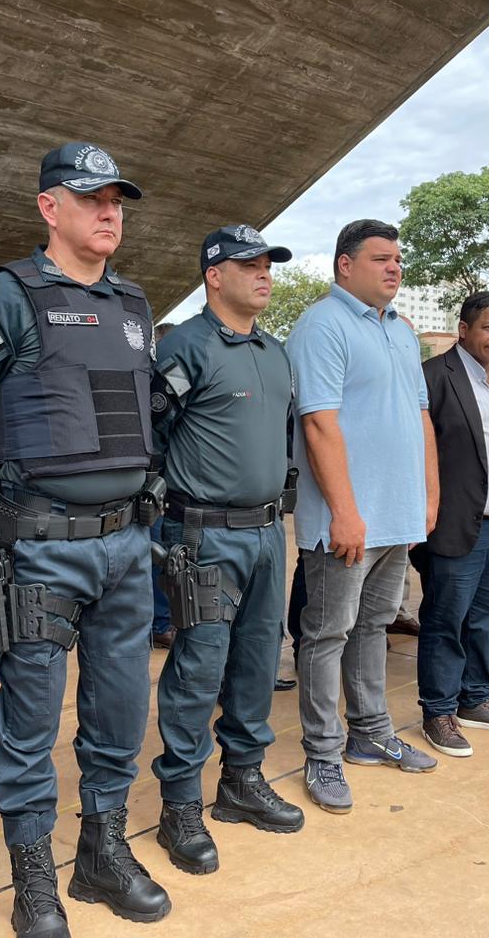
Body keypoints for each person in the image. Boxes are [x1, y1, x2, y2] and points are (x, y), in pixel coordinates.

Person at [0, 142, 170, 935]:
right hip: (41, 549)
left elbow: (148, 418)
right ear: (49, 208)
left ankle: (101, 852)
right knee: (29, 718)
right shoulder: (6, 298)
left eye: (117, 202)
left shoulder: (135, 306)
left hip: (125, 547)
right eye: (92, 199)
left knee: (119, 709)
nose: (110, 213)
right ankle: (31, 878)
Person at [148, 225, 304, 876]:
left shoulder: (275, 351)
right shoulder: (186, 346)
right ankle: (180, 803)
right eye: (249, 265)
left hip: (269, 533)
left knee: (257, 662)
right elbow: (151, 430)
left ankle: (241, 780)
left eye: (268, 264)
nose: (263, 274)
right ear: (215, 275)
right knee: (198, 668)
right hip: (204, 535)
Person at [286, 219, 439, 815]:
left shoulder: (402, 332)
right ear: (345, 265)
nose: (394, 268)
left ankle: (371, 734)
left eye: (398, 259)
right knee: (326, 635)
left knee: (372, 629)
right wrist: (345, 513)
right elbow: (319, 423)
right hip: (347, 522)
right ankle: (323, 752)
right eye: (381, 259)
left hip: (397, 517)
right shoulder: (321, 326)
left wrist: (428, 498)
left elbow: (422, 420)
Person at [415, 292, 489, 758]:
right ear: (463, 329)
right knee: (447, 620)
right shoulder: (434, 377)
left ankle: (475, 698)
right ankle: (439, 711)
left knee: (487, 619)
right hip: (457, 524)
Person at [151, 322, 178, 649]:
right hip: (155, 484)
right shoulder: (154, 387)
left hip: (172, 485)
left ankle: (163, 620)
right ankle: (160, 624)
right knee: (157, 557)